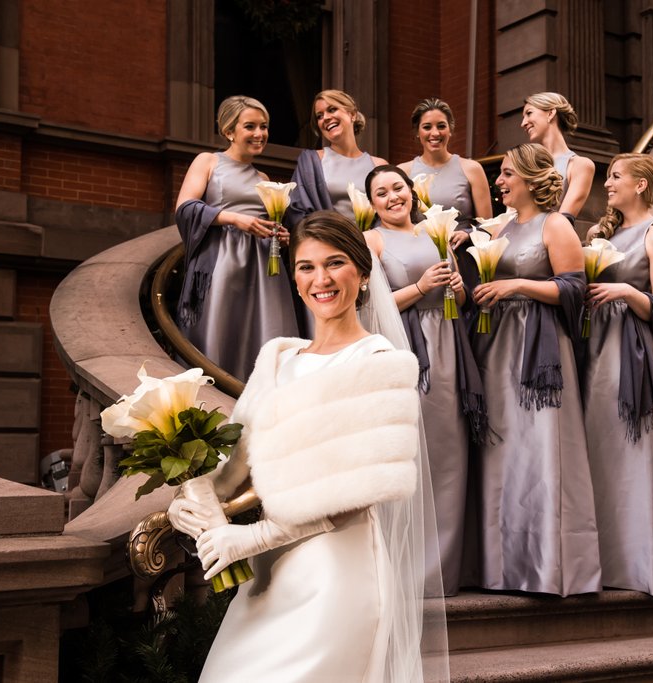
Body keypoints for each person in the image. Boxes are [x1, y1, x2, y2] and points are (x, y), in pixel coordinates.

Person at [168, 211, 446, 681]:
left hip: (335, 575)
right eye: (306, 266)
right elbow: (236, 464)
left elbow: (359, 496)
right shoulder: (277, 357)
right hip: (267, 576)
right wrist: (189, 498)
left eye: (334, 263)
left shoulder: (381, 362)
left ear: (361, 272)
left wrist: (251, 537)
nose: (320, 279)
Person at [469, 143, 601, 596]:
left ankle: (546, 567)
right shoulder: (500, 224)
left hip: (538, 347)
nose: (499, 182)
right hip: (496, 344)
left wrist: (518, 285)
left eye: (506, 175)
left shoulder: (556, 224)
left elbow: (574, 287)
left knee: (541, 447)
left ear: (529, 179)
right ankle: (499, 566)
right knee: (501, 450)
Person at [364, 164, 486, 596]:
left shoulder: (435, 230)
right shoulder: (372, 241)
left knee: (450, 458)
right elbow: (367, 311)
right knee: (415, 456)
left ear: (411, 191)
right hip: (409, 355)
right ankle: (406, 572)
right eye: (382, 193)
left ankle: (445, 571)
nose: (393, 197)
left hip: (450, 349)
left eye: (398, 187)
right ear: (373, 204)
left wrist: (457, 287)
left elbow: (463, 298)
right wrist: (418, 288)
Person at [583, 153, 653, 595]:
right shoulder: (600, 233)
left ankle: (641, 563)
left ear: (640, 186)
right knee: (598, 450)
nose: (607, 185)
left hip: (631, 352)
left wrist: (627, 291)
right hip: (594, 350)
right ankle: (602, 561)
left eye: (615, 177)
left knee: (631, 451)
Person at [174, 95, 298, 383]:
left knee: (264, 334)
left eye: (264, 126)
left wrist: (281, 233)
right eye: (250, 126)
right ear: (230, 131)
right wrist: (234, 218)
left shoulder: (262, 175)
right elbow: (185, 206)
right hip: (223, 260)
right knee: (219, 328)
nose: (259, 134)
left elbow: (270, 221)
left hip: (263, 270)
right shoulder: (208, 161)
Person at [287, 89, 386, 225]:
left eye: (332, 109)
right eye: (319, 116)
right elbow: (298, 213)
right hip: (326, 242)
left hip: (371, 244)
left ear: (352, 115)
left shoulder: (379, 165)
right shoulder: (311, 161)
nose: (325, 118)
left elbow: (389, 214)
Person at [398, 98, 492, 227]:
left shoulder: (472, 169)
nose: (435, 133)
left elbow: (488, 226)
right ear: (417, 132)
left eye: (441, 126)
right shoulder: (403, 172)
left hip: (461, 246)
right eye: (427, 127)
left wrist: (468, 234)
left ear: (450, 130)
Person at [520, 92, 595, 224]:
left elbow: (563, 222)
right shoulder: (524, 165)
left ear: (550, 114)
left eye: (529, 113)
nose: (523, 123)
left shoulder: (580, 165)